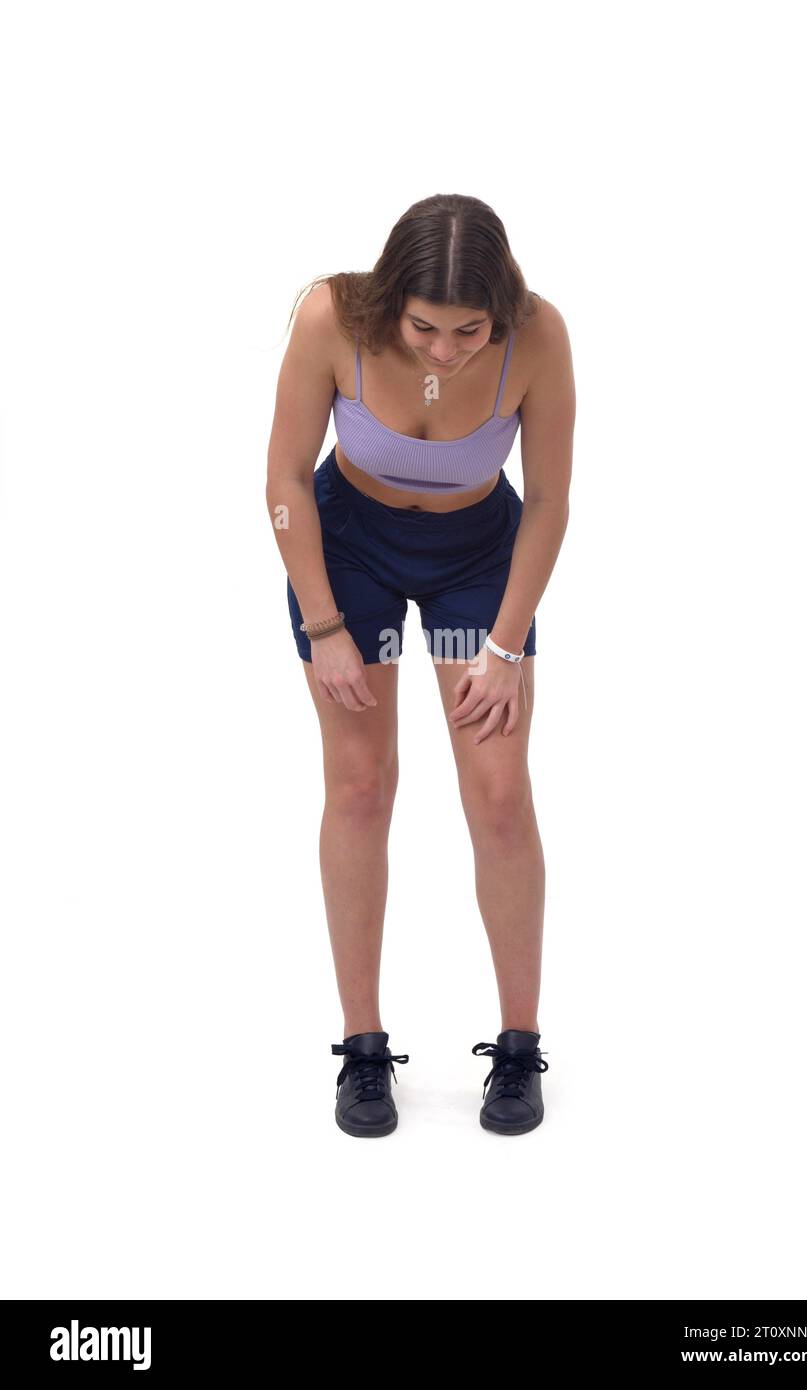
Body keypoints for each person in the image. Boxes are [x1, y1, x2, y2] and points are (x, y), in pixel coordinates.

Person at [266, 194, 574, 1137]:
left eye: (470, 331)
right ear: (392, 301)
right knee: (361, 787)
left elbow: (551, 504)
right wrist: (323, 626)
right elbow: (282, 478)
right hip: (348, 549)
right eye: (426, 329)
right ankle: (364, 1053)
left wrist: (506, 644)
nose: (446, 352)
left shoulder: (541, 338)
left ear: (503, 311)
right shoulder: (332, 315)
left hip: (479, 559)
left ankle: (518, 1048)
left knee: (499, 794)